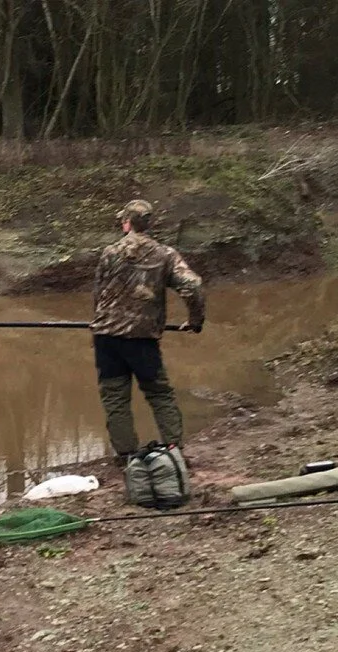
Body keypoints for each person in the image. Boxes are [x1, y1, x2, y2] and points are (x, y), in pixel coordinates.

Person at [91, 199, 205, 506]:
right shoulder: (165, 255)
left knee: (115, 396)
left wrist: (100, 324)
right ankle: (173, 448)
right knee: (158, 393)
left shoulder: (109, 252)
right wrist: (195, 320)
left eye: (123, 221)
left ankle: (127, 456)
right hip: (142, 340)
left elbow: (98, 293)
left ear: (127, 223)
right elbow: (192, 287)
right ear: (148, 224)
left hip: (106, 337)